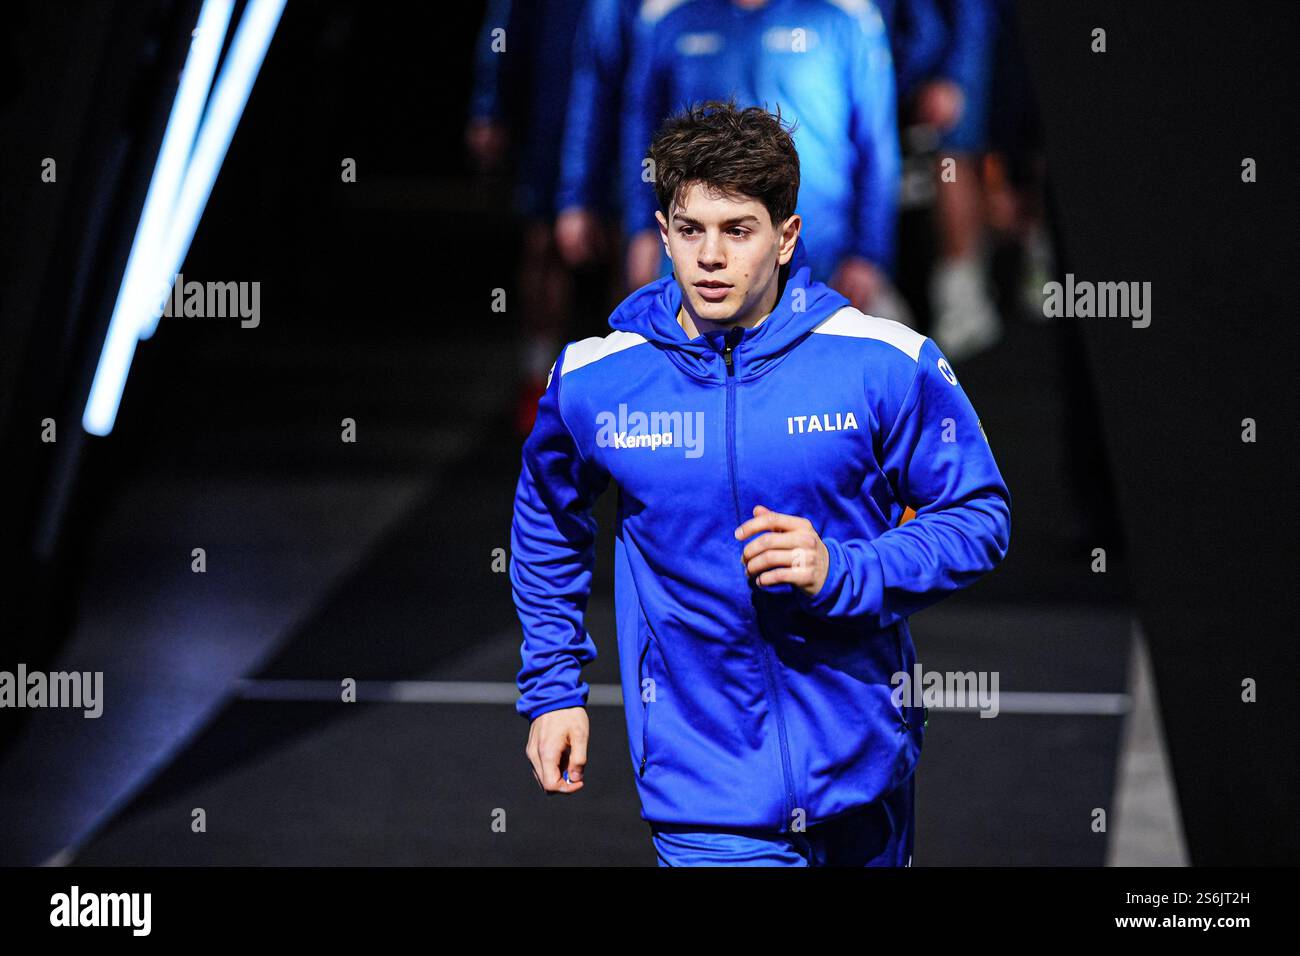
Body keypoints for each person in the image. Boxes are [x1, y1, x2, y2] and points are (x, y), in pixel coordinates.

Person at [510, 100, 1011, 865]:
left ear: (786, 238)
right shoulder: (596, 379)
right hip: (706, 796)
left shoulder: (880, 362)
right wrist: (553, 689)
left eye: (737, 230)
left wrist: (846, 567)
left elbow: (979, 516)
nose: (710, 257)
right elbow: (548, 524)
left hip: (863, 776)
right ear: (663, 232)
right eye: (690, 230)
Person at [620, 0, 907, 323]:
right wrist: (642, 229)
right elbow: (644, 135)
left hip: (821, 253)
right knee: (700, 364)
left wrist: (869, 254)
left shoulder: (848, 14)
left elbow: (876, 143)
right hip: (701, 253)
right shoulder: (667, 14)